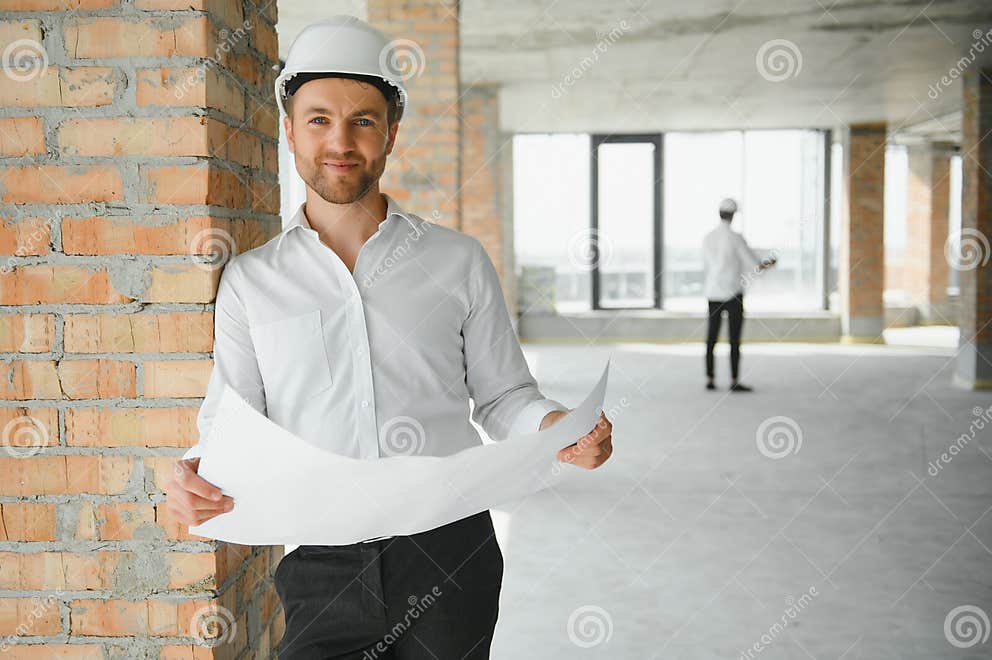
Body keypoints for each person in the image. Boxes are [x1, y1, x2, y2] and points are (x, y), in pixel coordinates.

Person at [163, 16, 613, 660]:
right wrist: (196, 473)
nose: (340, 141)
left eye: (363, 121)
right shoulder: (251, 282)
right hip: (321, 561)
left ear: (391, 133)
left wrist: (557, 428)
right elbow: (231, 421)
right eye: (319, 119)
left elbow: (503, 396)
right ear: (289, 130)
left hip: (450, 551)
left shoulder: (457, 261)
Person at [701, 198, 776, 392]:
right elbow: (753, 264)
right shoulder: (736, 238)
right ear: (733, 216)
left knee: (711, 337)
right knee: (734, 338)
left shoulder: (708, 238)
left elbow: (707, 266)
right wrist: (768, 263)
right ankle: (734, 380)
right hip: (733, 293)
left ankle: (710, 379)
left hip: (713, 293)